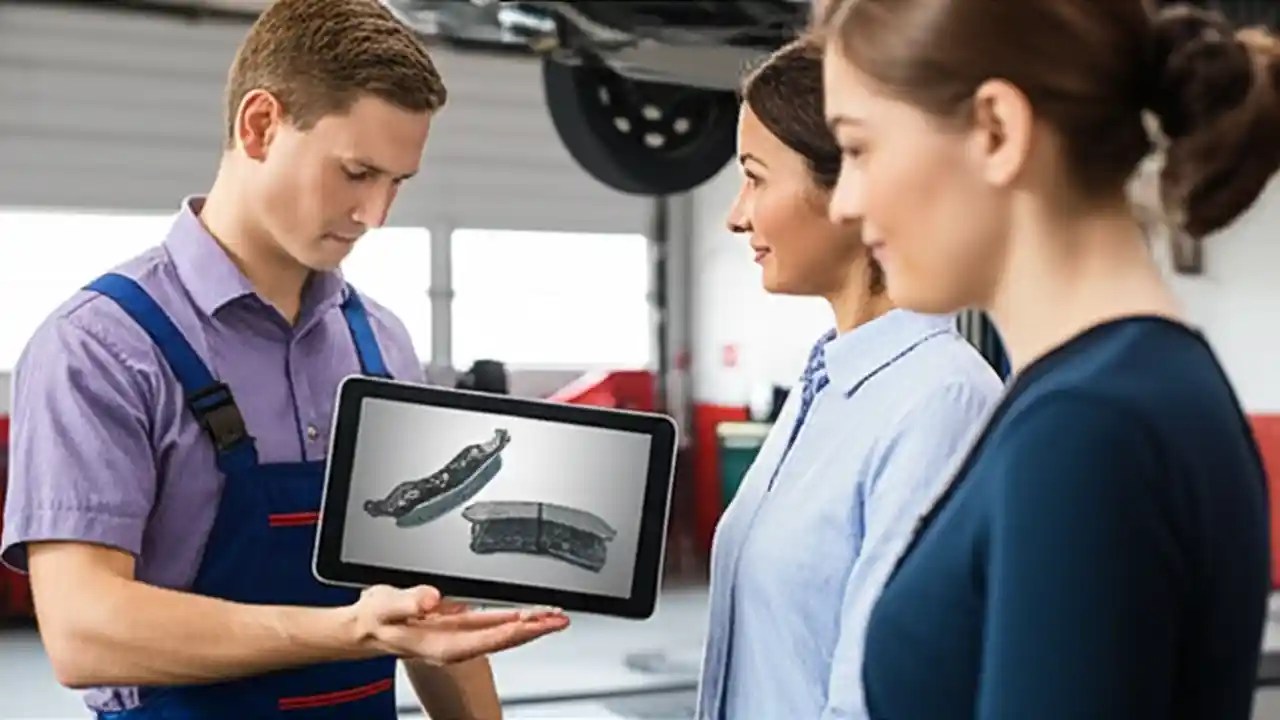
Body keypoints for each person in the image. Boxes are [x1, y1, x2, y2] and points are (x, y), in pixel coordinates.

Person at [0, 1, 569, 717]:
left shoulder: (381, 344)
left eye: (397, 182)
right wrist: (348, 630)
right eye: (357, 172)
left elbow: (436, 608)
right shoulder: (102, 349)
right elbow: (84, 634)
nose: (376, 215)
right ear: (260, 125)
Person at [818, 1, 1280, 718]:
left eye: (857, 149)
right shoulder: (1124, 390)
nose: (843, 203)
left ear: (996, 130)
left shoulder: (1089, 430)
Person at [695, 37, 1004, 720]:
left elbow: (880, 699)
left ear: (851, 185)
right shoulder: (828, 384)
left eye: (755, 176)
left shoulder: (940, 404)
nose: (736, 214)